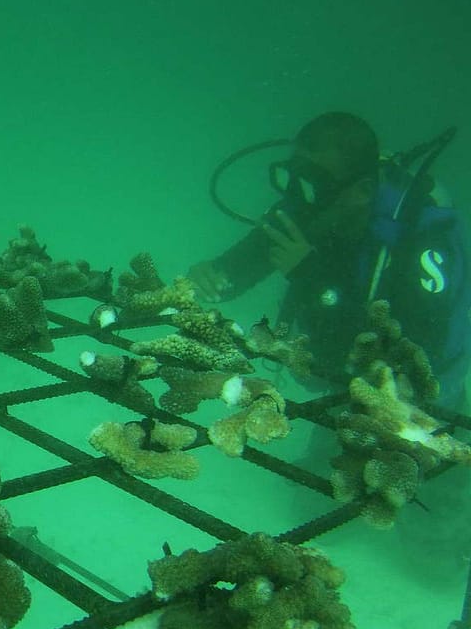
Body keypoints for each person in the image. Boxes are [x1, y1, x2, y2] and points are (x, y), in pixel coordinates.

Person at [188, 112, 469, 409]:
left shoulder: (420, 240)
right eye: (294, 176)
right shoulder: (308, 209)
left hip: (425, 403)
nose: (300, 197)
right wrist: (208, 277)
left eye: (315, 180)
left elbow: (415, 358)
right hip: (341, 389)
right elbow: (230, 276)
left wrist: (310, 276)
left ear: (363, 190)